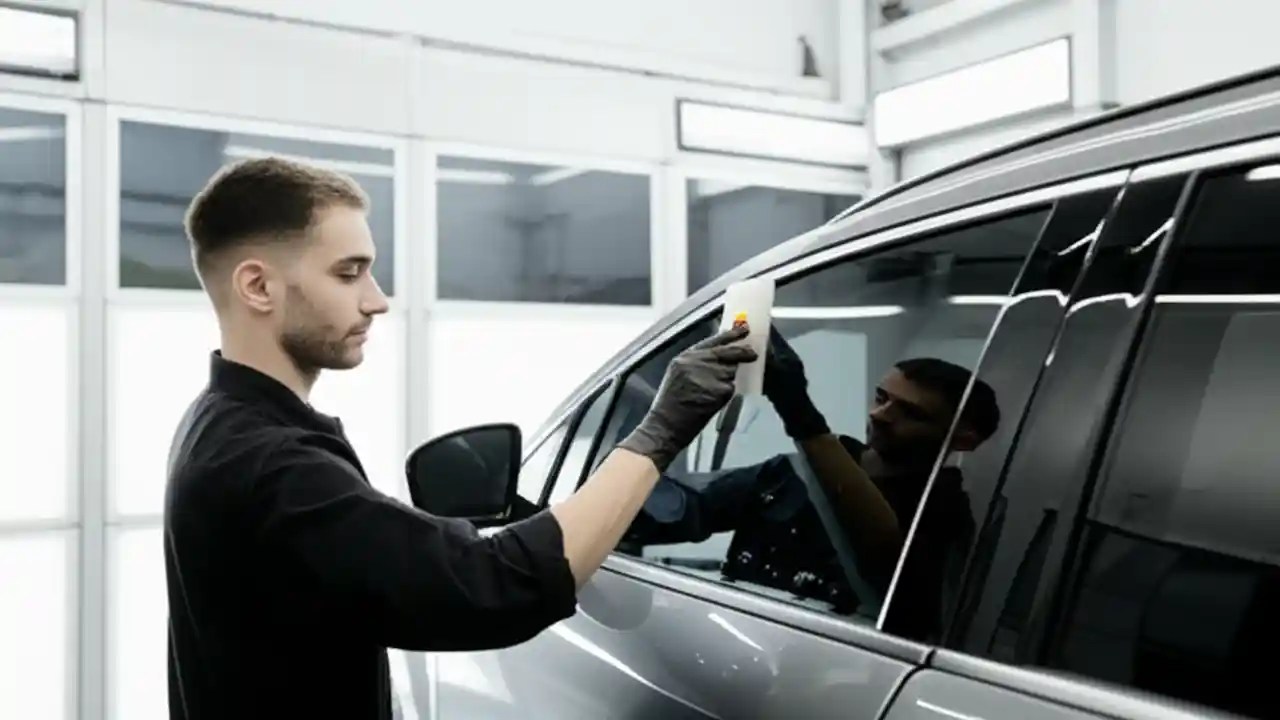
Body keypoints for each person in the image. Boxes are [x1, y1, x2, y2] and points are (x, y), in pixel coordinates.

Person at [163, 157, 756, 720]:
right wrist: (659, 431)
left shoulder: (216, 424)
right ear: (258, 288)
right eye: (349, 273)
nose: (377, 300)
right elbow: (493, 586)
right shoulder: (269, 465)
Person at [623, 330, 999, 640]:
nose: (878, 416)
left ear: (964, 439)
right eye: (882, 398)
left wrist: (798, 409)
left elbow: (884, 555)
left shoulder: (951, 516)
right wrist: (650, 431)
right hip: (740, 652)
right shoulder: (793, 474)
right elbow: (688, 512)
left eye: (911, 413)